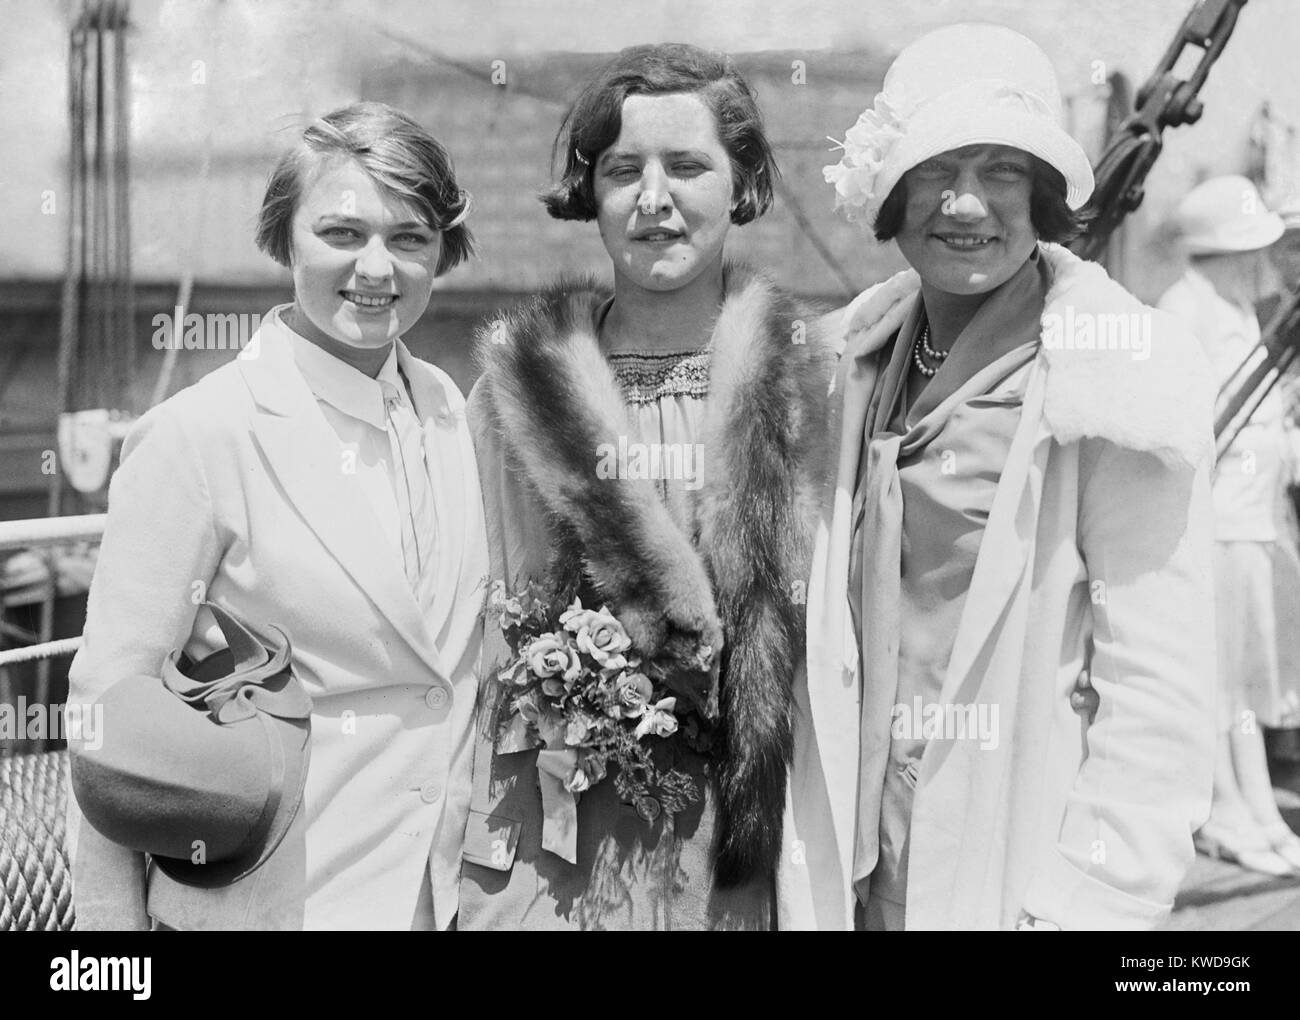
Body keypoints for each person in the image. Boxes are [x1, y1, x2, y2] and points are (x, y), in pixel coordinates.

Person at [783, 23, 1218, 930]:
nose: (967, 205)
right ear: (891, 196)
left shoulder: (1115, 374)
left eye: (1003, 171)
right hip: (855, 878)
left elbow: (1160, 686)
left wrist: (1092, 903)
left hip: (1014, 876)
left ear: (1047, 195)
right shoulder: (846, 363)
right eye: (937, 170)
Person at [65, 101, 488, 930]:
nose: (378, 268)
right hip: (275, 908)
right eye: (341, 233)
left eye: (410, 238)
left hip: (440, 900)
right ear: (283, 238)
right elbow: (105, 711)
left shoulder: (445, 404)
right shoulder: (200, 434)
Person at [456, 43, 838, 930]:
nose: (655, 199)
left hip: (746, 845)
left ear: (741, 185)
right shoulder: (516, 393)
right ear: (589, 192)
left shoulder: (812, 382)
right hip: (553, 834)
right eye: (624, 170)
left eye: (690, 166)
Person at [1158, 176, 1300, 874]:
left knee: (1242, 679)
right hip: (1212, 525)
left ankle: (1257, 805)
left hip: (1254, 522)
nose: (1270, 261)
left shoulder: (1237, 309)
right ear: (1227, 250)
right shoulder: (1186, 312)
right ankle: (1219, 809)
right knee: (1212, 680)